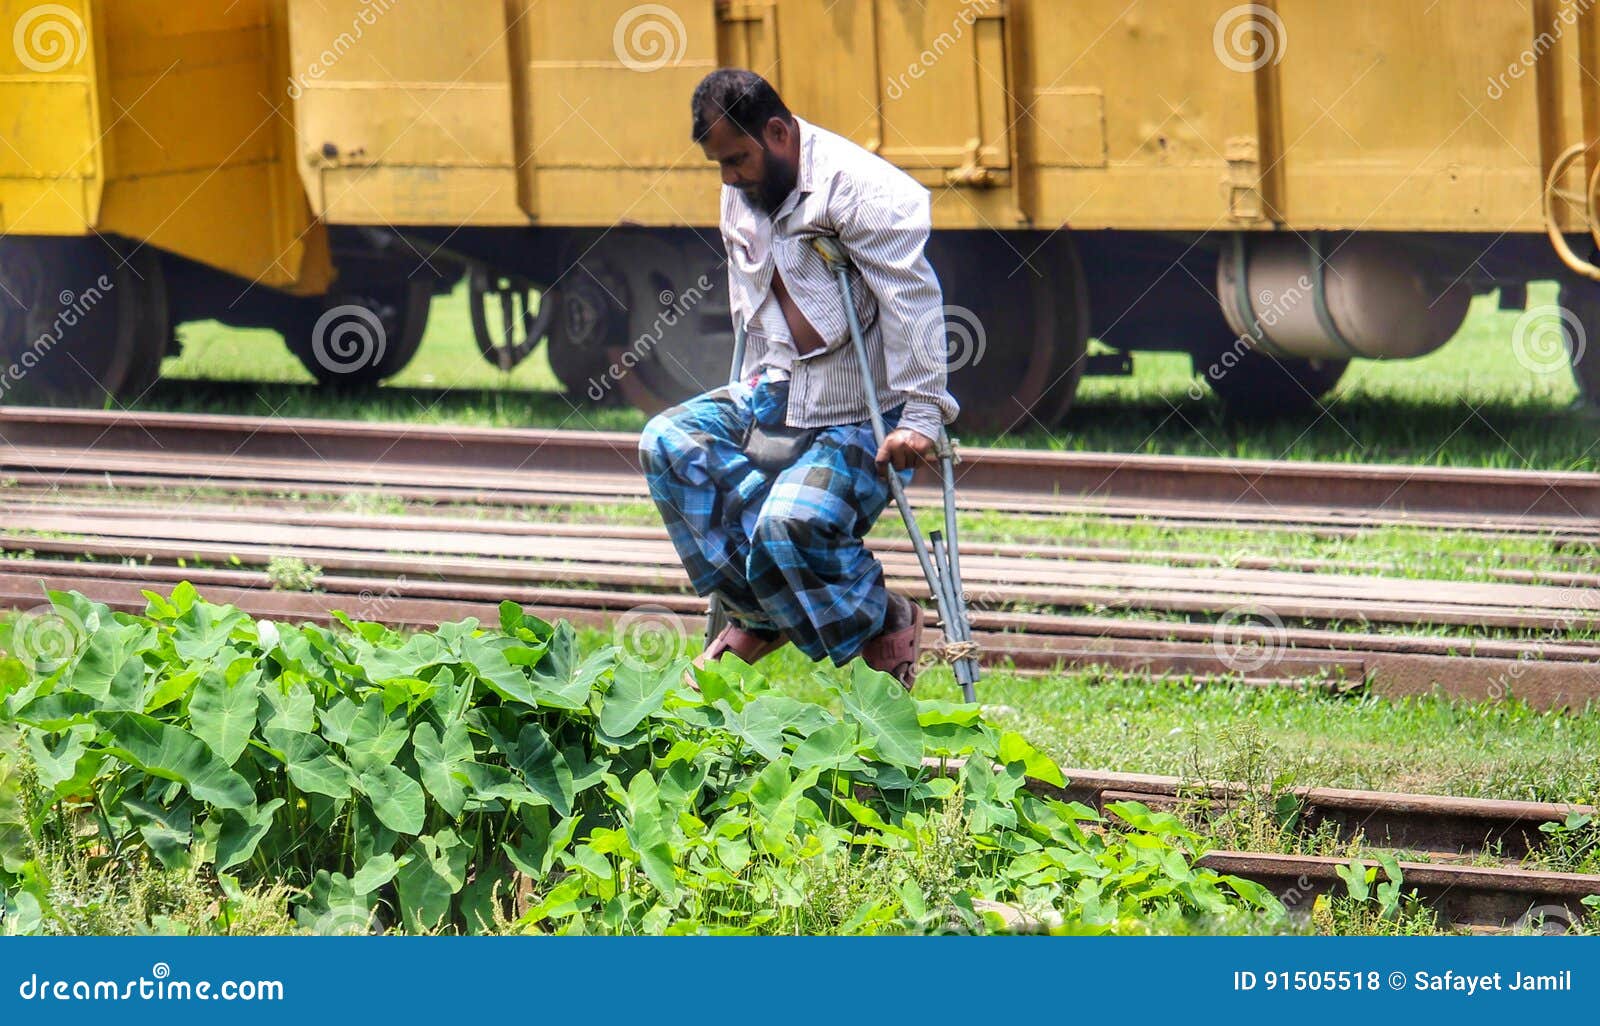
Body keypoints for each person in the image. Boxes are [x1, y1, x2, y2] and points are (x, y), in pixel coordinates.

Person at [637, 68, 959, 690]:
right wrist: (759, 379)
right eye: (718, 165)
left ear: (778, 132)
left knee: (787, 526)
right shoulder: (743, 188)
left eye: (736, 159)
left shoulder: (858, 189)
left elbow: (912, 300)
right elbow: (749, 294)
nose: (727, 177)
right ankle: (763, 610)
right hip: (779, 388)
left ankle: (882, 617)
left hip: (865, 408)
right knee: (667, 443)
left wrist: (921, 417)